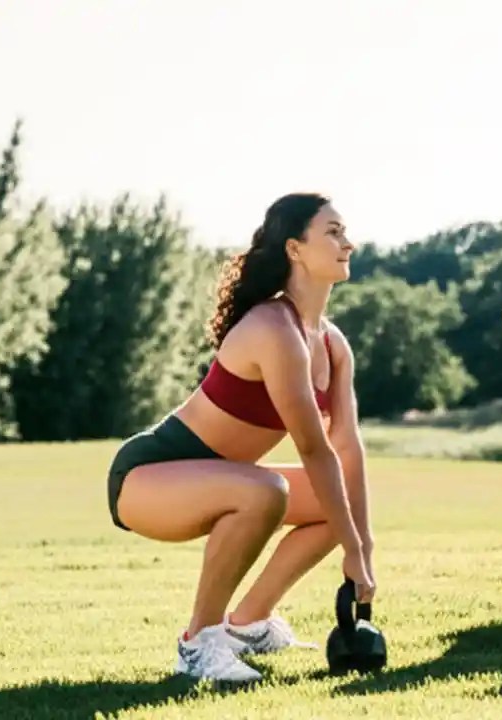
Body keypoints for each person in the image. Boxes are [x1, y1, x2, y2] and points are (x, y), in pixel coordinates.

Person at [105, 192, 377, 683]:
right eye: (333, 232)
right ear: (295, 249)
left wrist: (363, 546)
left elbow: (347, 448)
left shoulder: (334, 345)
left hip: (218, 480)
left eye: (345, 232)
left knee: (337, 507)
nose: (348, 243)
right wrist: (353, 553)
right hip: (145, 477)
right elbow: (313, 448)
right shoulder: (273, 328)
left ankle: (250, 623)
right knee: (266, 491)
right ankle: (198, 643)